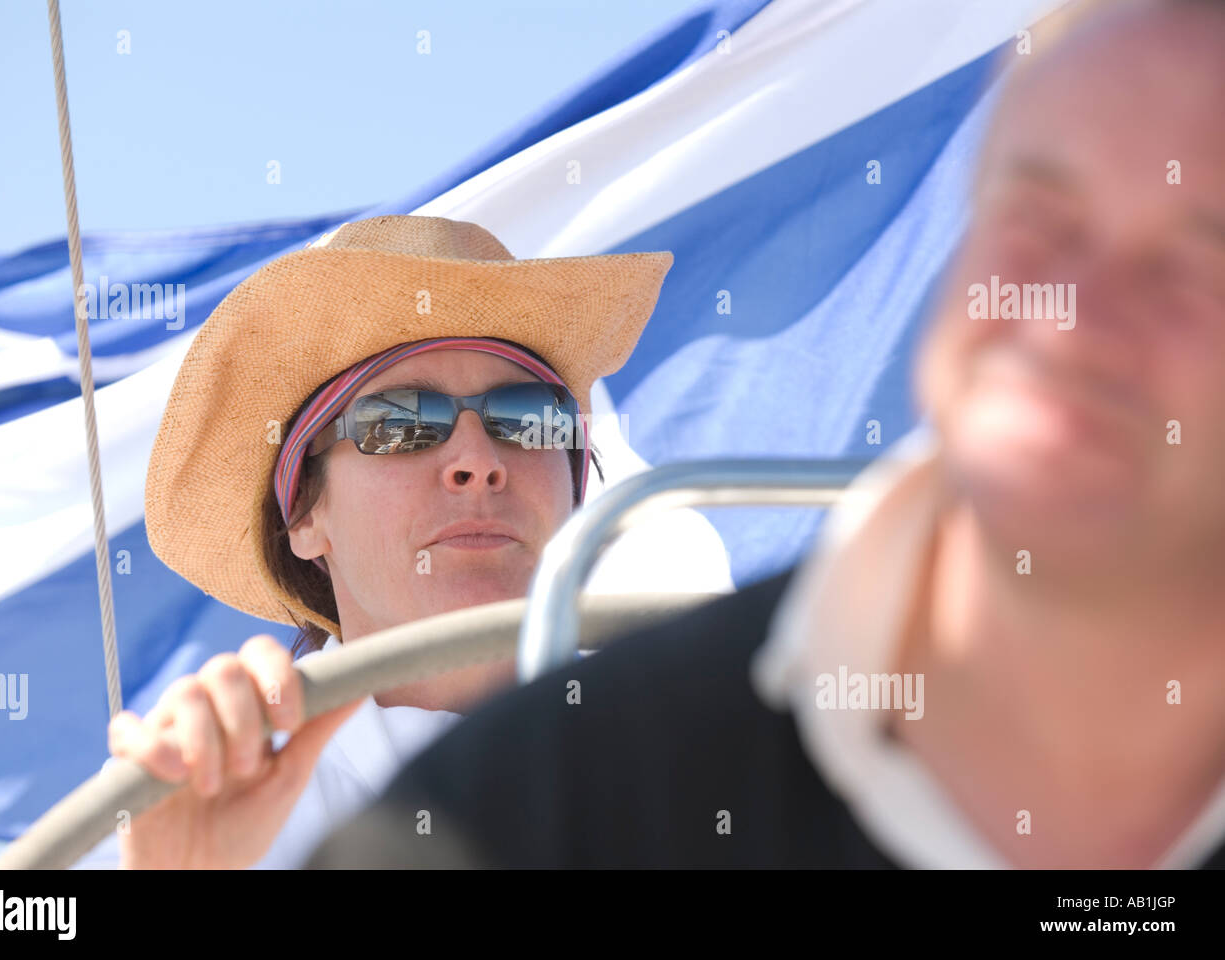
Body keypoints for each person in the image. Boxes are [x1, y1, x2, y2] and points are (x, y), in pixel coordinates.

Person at [308, 0, 1225, 869]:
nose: (1076, 316)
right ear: (302, 512)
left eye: (1199, 259)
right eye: (401, 424)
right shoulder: (526, 808)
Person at [71, 214, 675, 868]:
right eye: (400, 422)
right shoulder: (166, 805)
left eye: (528, 420)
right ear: (303, 516)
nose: (476, 457)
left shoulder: (703, 745)